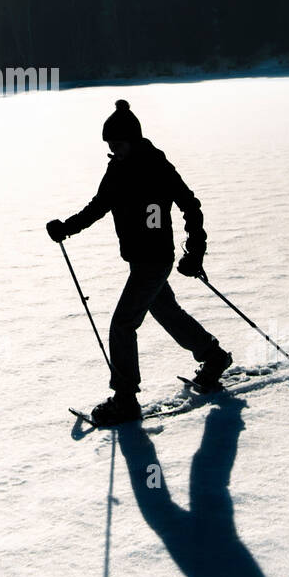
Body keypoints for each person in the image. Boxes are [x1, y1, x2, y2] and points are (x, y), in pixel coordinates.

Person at [46, 99, 232, 425]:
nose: (113, 150)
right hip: (141, 261)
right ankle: (213, 357)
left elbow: (191, 205)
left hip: (155, 260)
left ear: (133, 140)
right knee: (166, 312)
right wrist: (67, 228)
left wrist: (196, 250)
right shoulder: (117, 168)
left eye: (117, 144)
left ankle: (125, 399)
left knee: (122, 324)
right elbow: (99, 205)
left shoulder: (157, 166)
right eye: (109, 145)